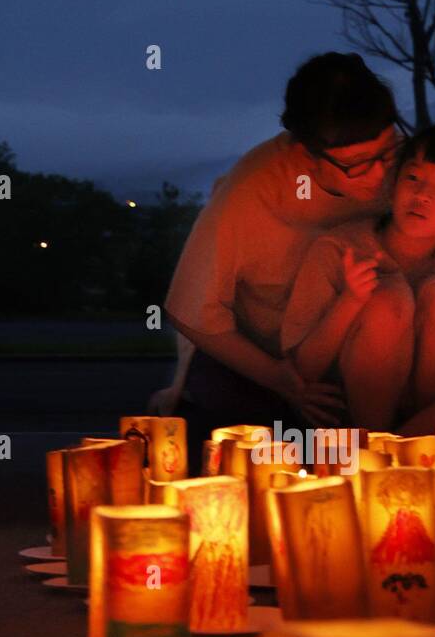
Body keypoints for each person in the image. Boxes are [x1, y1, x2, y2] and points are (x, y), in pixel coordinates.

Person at [157, 54, 411, 465]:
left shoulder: (407, 171)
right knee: (238, 450)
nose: (380, 175)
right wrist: (280, 378)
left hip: (367, 350)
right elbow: (194, 309)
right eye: (357, 165)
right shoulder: (252, 190)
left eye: (387, 152)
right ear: (306, 154)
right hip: (263, 355)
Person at [280, 125, 435, 434]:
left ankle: (420, 444)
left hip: (425, 428)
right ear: (392, 185)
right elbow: (304, 368)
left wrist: (412, 435)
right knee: (388, 299)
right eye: (413, 177)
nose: (422, 195)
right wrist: (352, 300)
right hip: (349, 425)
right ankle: (374, 445)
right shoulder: (339, 249)